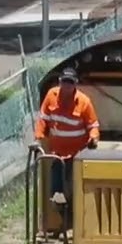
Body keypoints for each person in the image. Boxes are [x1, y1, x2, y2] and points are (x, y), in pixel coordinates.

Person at [34, 67, 100, 217]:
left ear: (75, 84)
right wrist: (38, 138)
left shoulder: (84, 102)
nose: (67, 86)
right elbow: (43, 120)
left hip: (77, 156)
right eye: (65, 82)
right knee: (56, 192)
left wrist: (93, 138)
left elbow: (93, 126)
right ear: (59, 82)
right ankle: (64, 219)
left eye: (70, 83)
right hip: (57, 155)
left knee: (75, 189)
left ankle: (73, 221)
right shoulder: (51, 96)